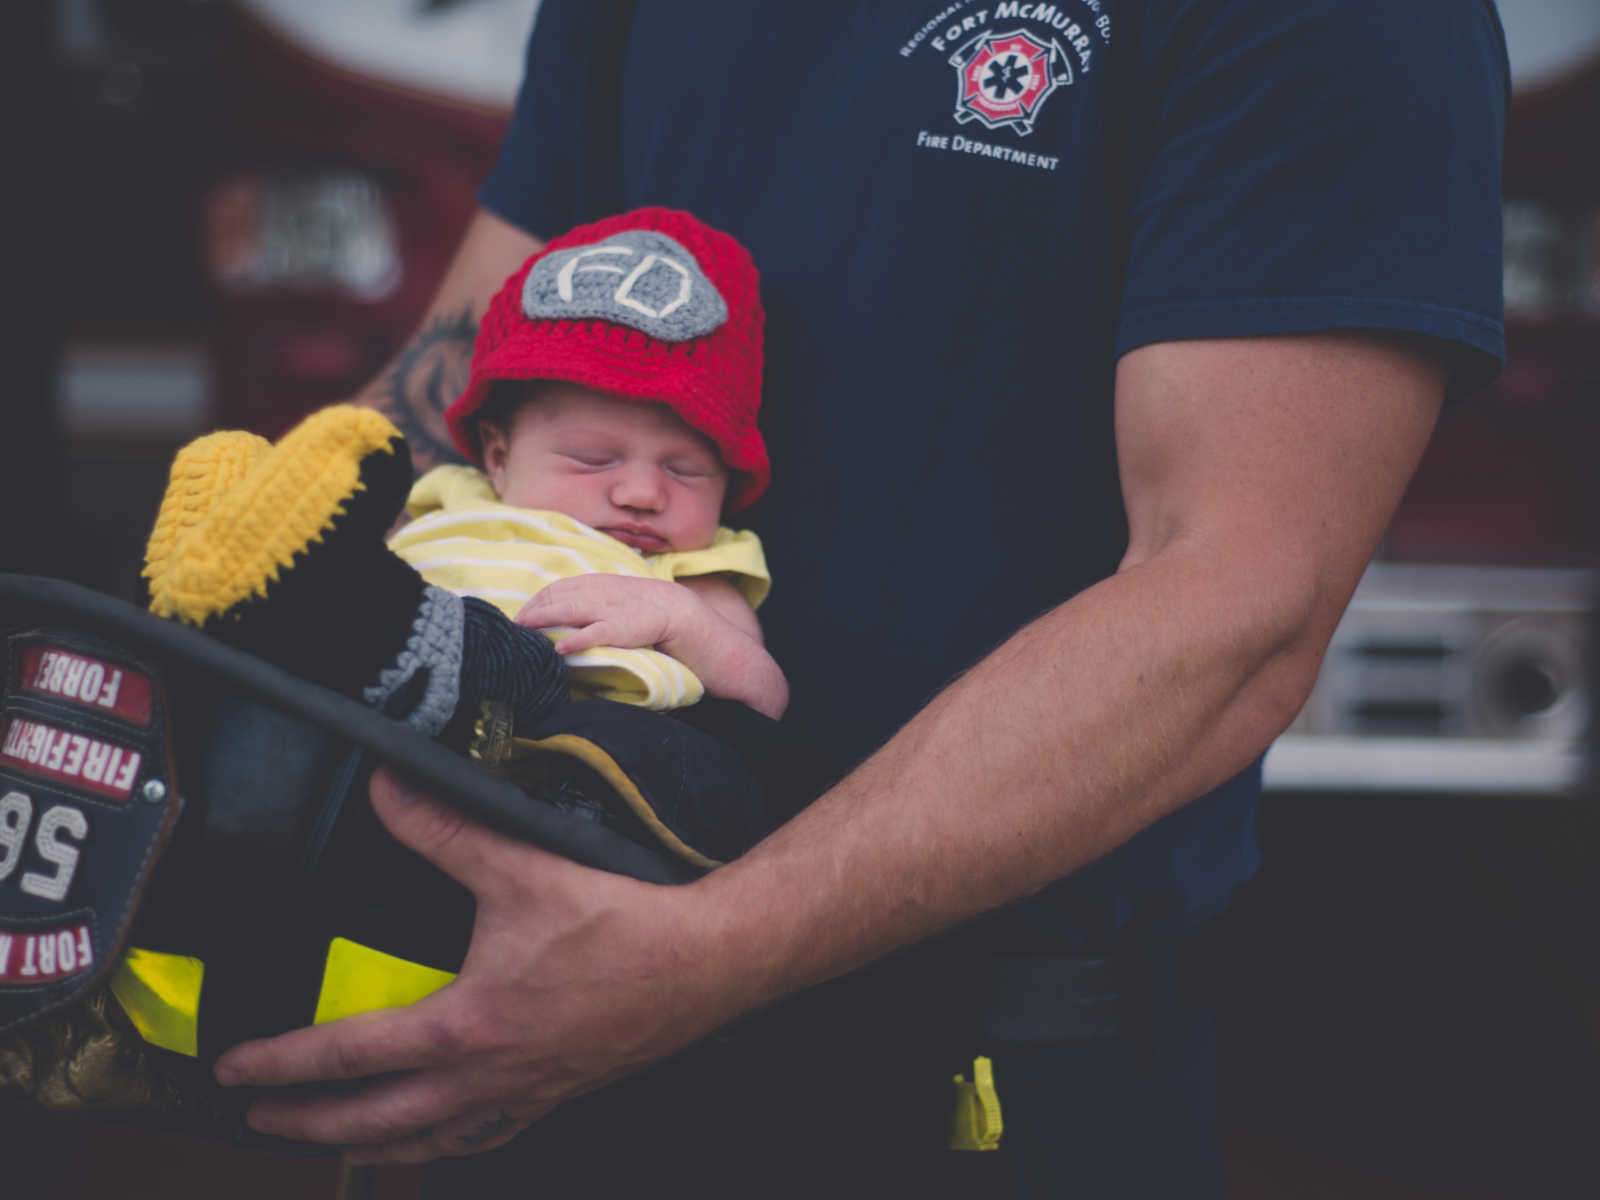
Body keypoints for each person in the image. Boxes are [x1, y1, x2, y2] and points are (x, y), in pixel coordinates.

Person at [208, 2, 1511, 1195]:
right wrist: (187, 685)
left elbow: (1235, 597)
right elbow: (476, 376)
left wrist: (709, 951)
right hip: (536, 1026)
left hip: (971, 1080)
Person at [142, 206, 798, 868]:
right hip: (366, 733)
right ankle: (214, 590)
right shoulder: (453, 498)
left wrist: (680, 619)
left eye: (684, 470)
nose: (641, 493)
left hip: (555, 769)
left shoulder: (699, 563)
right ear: (498, 456)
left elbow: (763, 696)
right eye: (593, 459)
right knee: (281, 683)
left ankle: (276, 608)